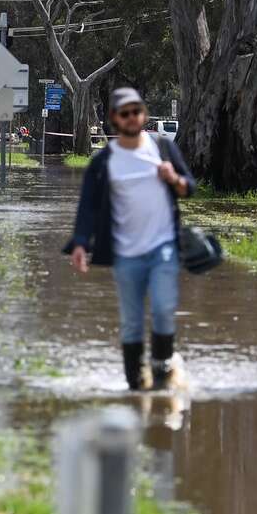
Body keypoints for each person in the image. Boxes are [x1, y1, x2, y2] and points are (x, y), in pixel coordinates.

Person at [64, 87, 196, 390]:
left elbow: (191, 187)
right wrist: (81, 242)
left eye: (137, 111)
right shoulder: (103, 161)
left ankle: (163, 375)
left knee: (163, 308)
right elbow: (88, 205)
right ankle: (136, 388)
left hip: (163, 247)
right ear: (115, 118)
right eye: (125, 113)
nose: (132, 117)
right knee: (132, 322)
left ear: (144, 114)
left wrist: (173, 178)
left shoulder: (162, 148)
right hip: (125, 254)